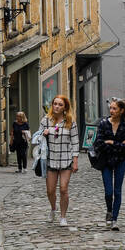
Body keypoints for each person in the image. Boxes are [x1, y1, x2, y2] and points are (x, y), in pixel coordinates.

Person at [95, 97, 125, 230]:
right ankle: (109, 211)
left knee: (117, 191)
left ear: (121, 110)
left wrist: (111, 142)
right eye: (110, 108)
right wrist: (117, 145)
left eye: (114, 108)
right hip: (106, 161)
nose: (111, 110)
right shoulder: (103, 124)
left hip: (120, 161)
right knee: (108, 191)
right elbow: (99, 143)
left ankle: (114, 219)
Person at [41, 95, 78, 226]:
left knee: (63, 189)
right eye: (55, 104)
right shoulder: (46, 120)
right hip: (50, 160)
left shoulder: (70, 122)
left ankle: (63, 216)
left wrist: (75, 160)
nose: (56, 106)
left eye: (60, 104)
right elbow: (37, 139)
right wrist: (43, 134)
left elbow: (75, 142)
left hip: (65, 160)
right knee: (50, 190)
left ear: (65, 107)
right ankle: (53, 208)